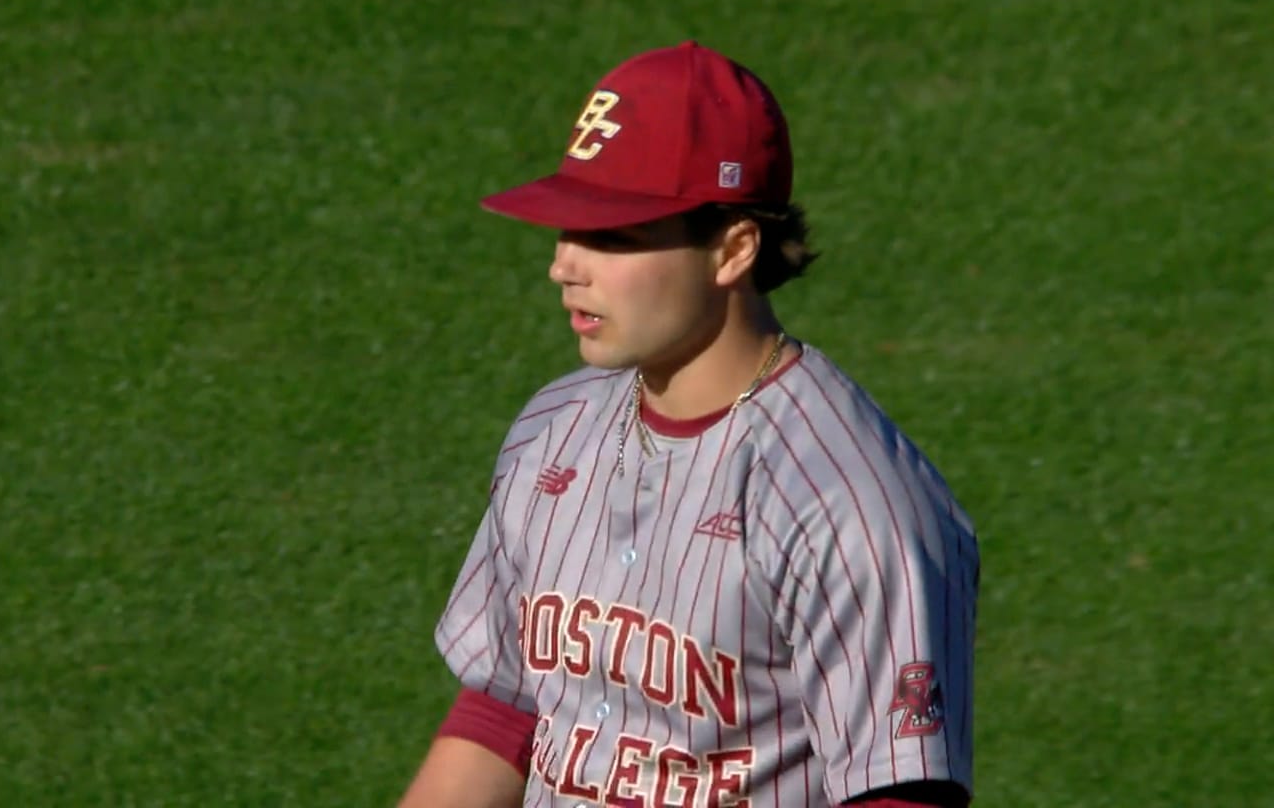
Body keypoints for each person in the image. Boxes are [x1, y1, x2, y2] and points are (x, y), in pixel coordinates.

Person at [397, 40, 979, 808]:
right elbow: (507, 710)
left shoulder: (856, 507)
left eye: (613, 237)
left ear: (733, 249)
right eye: (568, 229)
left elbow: (899, 794)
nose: (565, 264)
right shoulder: (552, 429)